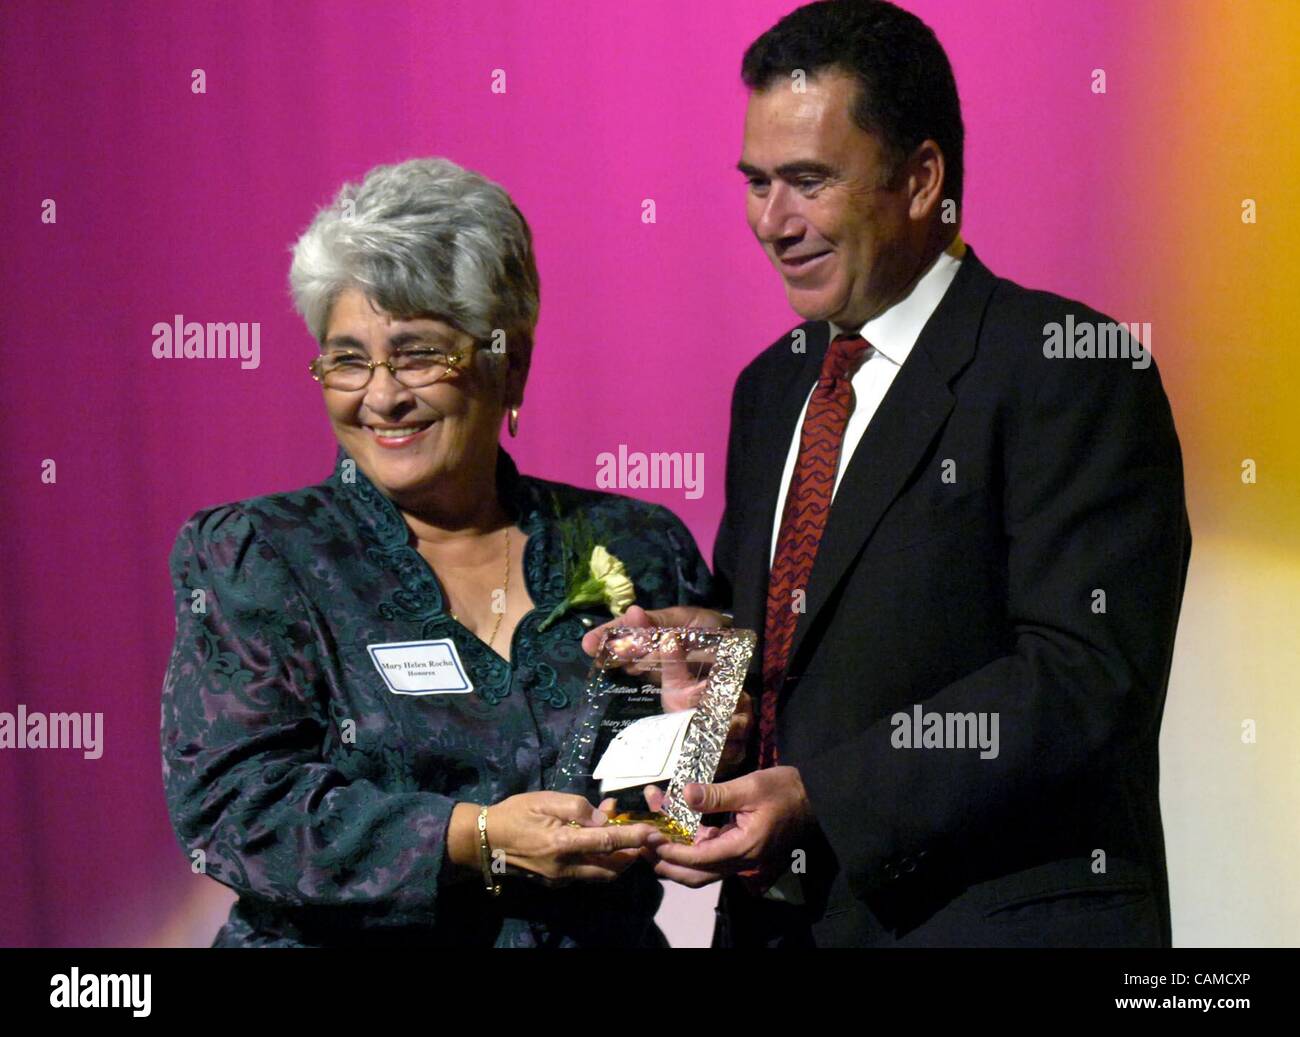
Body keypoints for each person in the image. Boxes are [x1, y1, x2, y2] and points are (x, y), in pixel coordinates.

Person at [587, 0, 1191, 947]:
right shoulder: (772, 386)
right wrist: (712, 663)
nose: (773, 221)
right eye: (756, 182)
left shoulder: (1066, 364)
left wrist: (822, 795)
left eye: (809, 181)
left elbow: (1085, 676)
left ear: (920, 180)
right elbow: (791, 648)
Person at [160, 157, 712, 947]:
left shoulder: (638, 544)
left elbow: (691, 788)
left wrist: (709, 741)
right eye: (348, 358)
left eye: (418, 353)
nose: (381, 396)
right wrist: (473, 835)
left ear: (508, 361)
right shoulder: (261, 556)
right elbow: (235, 809)